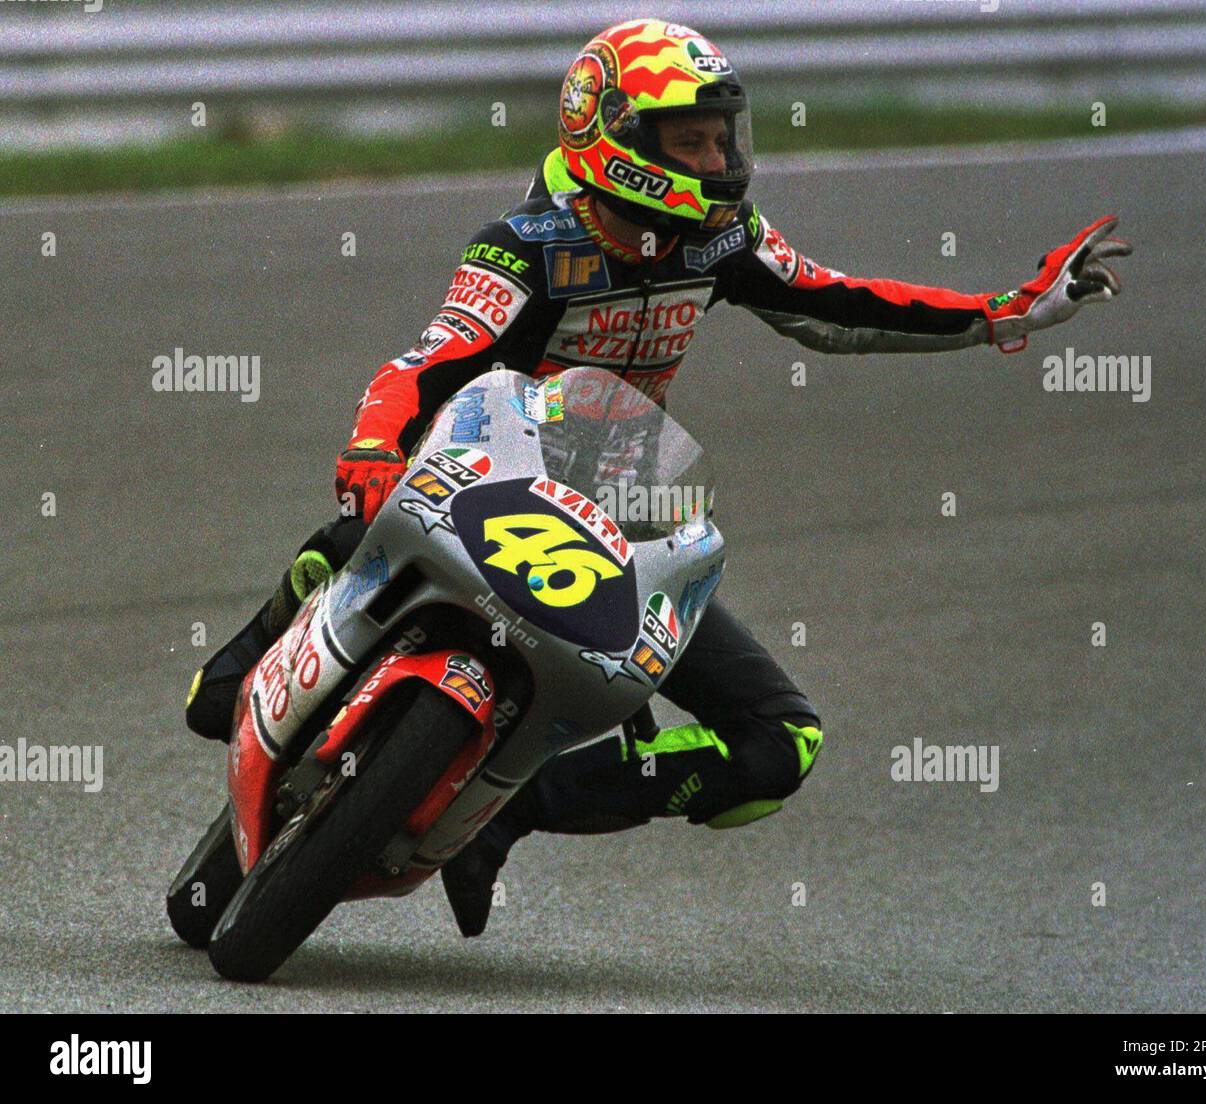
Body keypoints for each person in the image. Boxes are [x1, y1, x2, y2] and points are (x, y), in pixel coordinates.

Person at [184, 18, 1131, 937]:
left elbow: (838, 307)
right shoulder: (528, 245)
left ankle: (511, 807)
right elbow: (427, 362)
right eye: (693, 139)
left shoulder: (722, 241)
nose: (721, 160)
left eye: (724, 137)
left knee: (780, 743)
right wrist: (373, 452)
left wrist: (1009, 310)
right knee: (349, 533)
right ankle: (242, 666)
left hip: (618, 515)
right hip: (477, 481)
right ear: (620, 138)